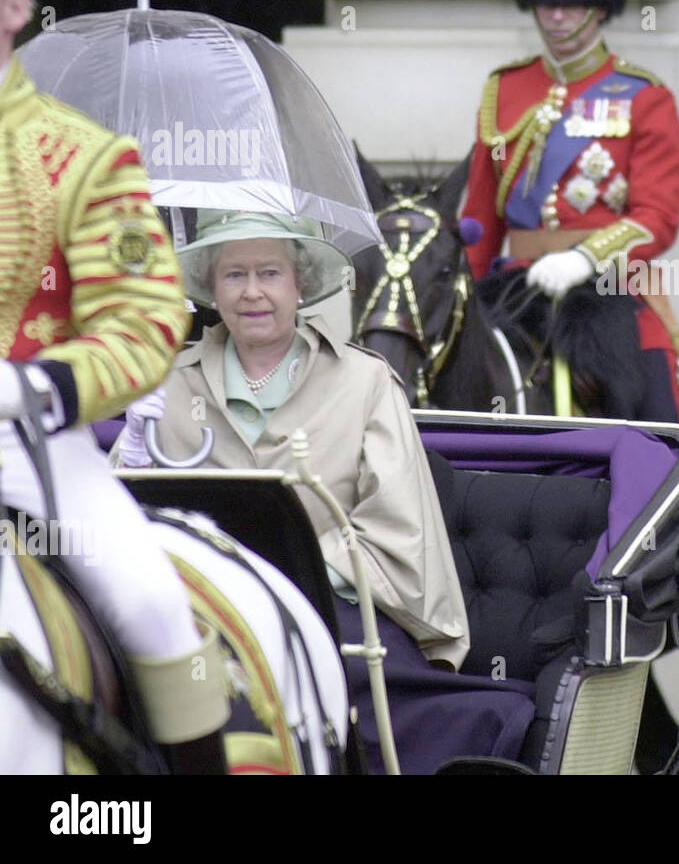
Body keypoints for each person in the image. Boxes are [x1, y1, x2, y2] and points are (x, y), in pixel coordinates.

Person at [111, 210, 521, 773]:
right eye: (234, 275)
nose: (253, 292)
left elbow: (397, 531)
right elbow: (126, 522)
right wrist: (130, 451)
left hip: (336, 610)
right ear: (211, 287)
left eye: (270, 273)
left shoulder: (364, 382)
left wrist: (288, 569)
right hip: (200, 611)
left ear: (299, 284)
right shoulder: (167, 385)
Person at [0, 0, 230, 770]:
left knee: (153, 608)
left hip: (32, 446)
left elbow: (144, 319)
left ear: (16, 6)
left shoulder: (84, 157)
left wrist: (38, 383)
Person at [460, 0, 679, 423]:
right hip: (514, 291)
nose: (557, 14)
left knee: (655, 420)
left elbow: (658, 219)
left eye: (573, 1)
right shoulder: (504, 89)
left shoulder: (646, 98)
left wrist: (587, 259)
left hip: (609, 293)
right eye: (546, 2)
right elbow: (480, 223)